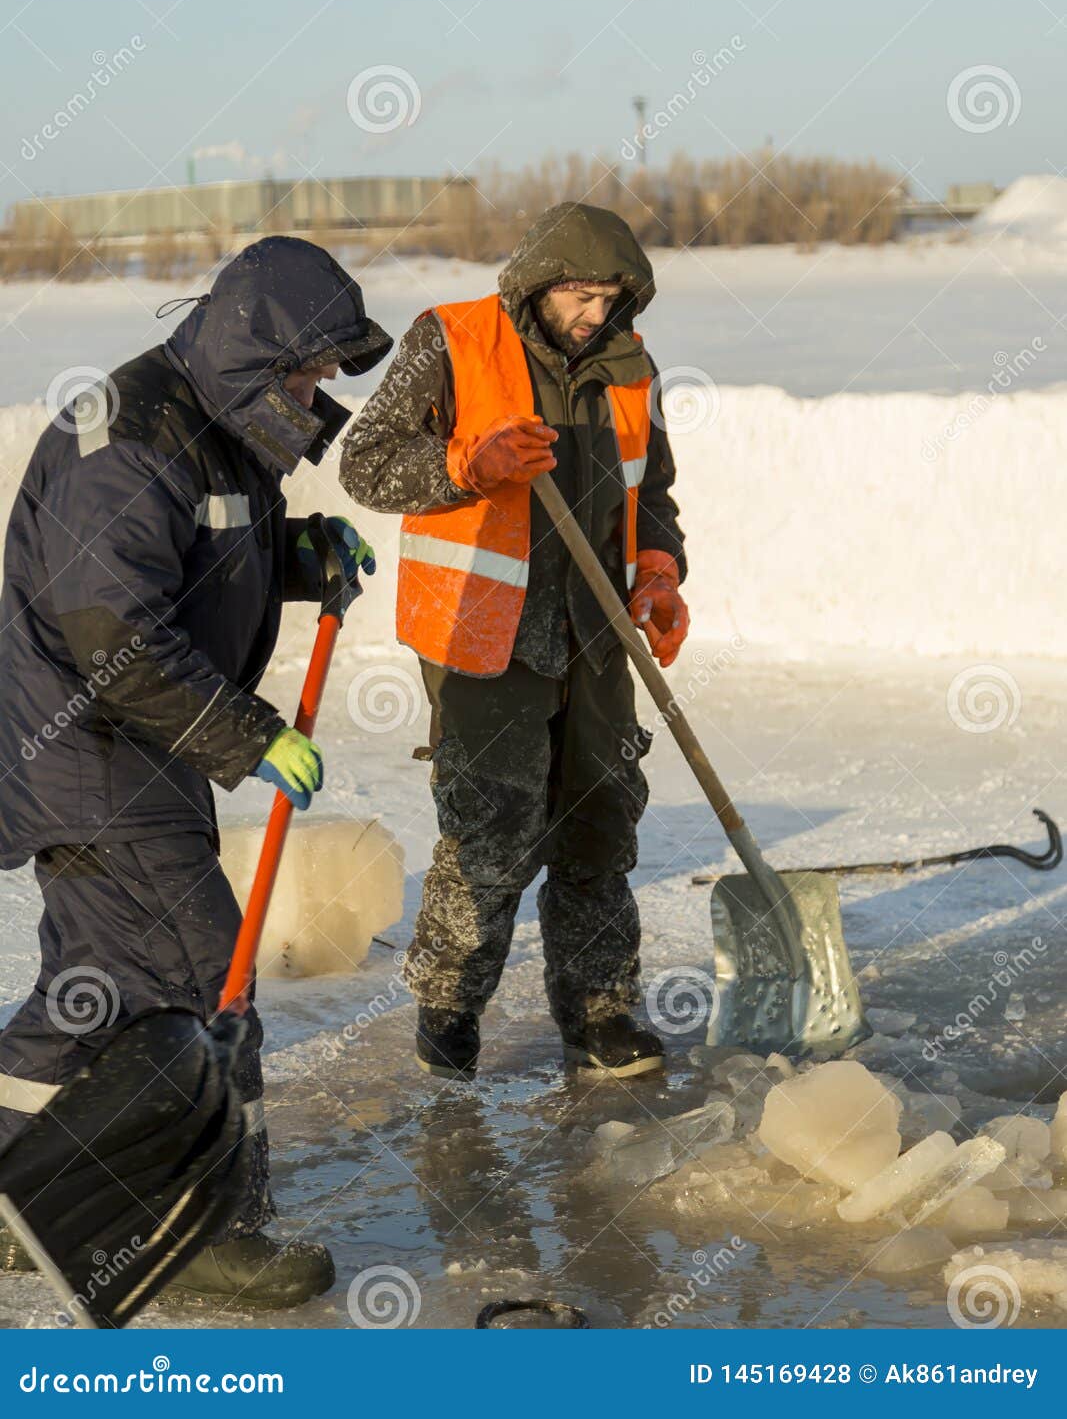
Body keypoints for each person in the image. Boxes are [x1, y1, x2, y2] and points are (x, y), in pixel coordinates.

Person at [0, 235, 390, 1305]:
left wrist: (305, 555)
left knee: (90, 994)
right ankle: (212, 1224)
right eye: (305, 372)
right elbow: (111, 629)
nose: (314, 395)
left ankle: (7, 1187)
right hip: (93, 754)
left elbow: (203, 557)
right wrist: (247, 733)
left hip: (126, 753)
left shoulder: (214, 426)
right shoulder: (128, 441)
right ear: (256, 350)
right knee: (201, 972)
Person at [340, 202, 688, 1080]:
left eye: (609, 296)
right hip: (483, 635)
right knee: (491, 834)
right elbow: (365, 464)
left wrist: (659, 568)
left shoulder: (628, 365)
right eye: (577, 293)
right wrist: (467, 467)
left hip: (595, 634)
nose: (592, 313)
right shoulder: (451, 340)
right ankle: (450, 1005)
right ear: (537, 284)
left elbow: (652, 489)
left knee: (599, 828)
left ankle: (601, 1014)